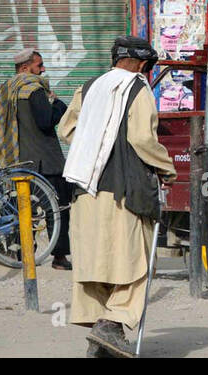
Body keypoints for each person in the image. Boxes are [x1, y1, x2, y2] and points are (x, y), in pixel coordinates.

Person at [59, 36, 175, 358]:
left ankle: (103, 336)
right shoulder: (138, 88)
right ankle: (111, 325)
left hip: (83, 191)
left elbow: (66, 128)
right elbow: (142, 138)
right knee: (136, 262)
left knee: (98, 264)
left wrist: (94, 145)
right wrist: (167, 167)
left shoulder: (89, 85)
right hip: (120, 192)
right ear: (142, 64)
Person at [0, 49, 72, 269]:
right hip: (45, 161)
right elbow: (46, 121)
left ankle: (24, 253)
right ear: (26, 68)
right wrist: (59, 105)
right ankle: (59, 257)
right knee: (57, 210)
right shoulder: (34, 90)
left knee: (21, 210)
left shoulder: (6, 90)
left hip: (18, 161)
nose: (43, 69)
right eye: (40, 65)